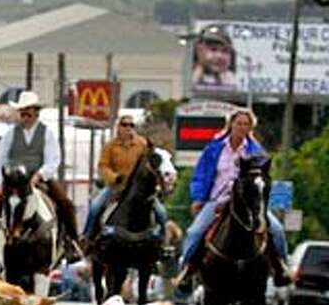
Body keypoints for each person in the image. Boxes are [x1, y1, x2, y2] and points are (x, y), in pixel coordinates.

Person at [178, 108, 287, 283]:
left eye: (246, 124)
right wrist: (198, 198)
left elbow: (263, 178)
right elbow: (200, 174)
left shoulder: (256, 152)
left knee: (277, 229)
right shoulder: (214, 149)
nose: (242, 127)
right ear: (231, 125)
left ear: (250, 127)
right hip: (217, 200)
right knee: (194, 232)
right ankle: (186, 272)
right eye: (239, 123)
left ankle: (281, 268)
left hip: (248, 203)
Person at [0, 91, 82, 262]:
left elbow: (53, 159)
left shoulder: (47, 133)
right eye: (22, 113)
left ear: (36, 112)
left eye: (28, 112)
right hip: (13, 179)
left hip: (39, 178)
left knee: (66, 204)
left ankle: (71, 243)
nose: (25, 116)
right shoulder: (11, 134)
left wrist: (40, 175)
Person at [82, 114, 166, 243]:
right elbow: (102, 167)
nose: (128, 128)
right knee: (95, 207)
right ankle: (86, 238)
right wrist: (114, 178)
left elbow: (150, 166)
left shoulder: (142, 144)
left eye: (131, 125)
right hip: (116, 188)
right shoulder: (109, 146)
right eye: (124, 125)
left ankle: (163, 240)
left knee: (161, 212)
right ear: (118, 127)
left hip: (139, 190)